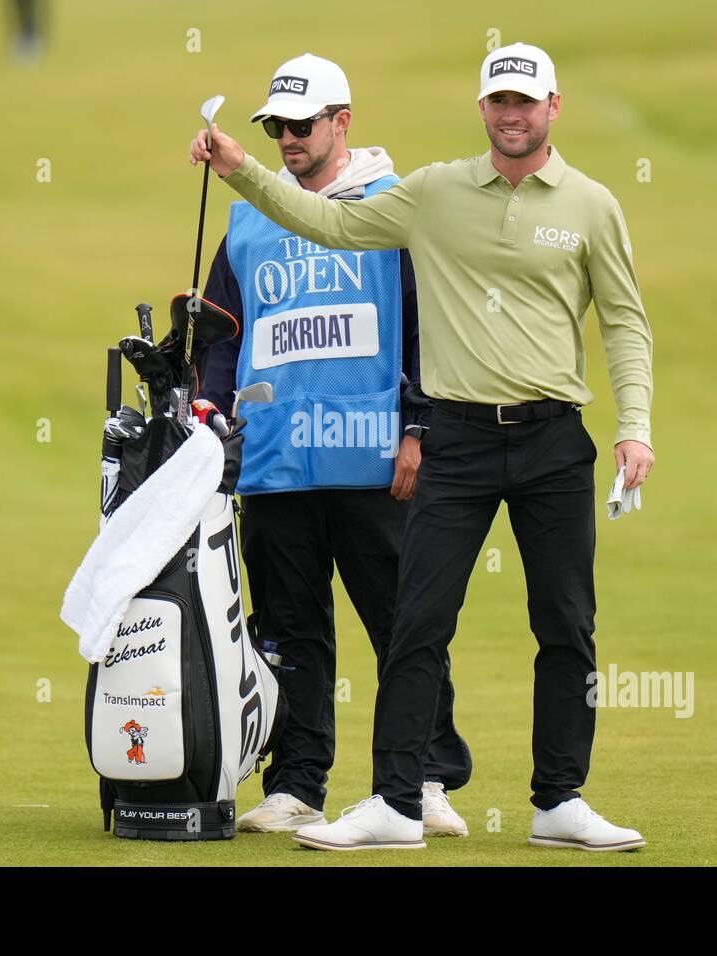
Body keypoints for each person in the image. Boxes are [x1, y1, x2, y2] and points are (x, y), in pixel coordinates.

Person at [190, 42, 655, 851]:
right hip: (415, 441)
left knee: (565, 625)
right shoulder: (434, 192)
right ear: (482, 109)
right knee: (411, 623)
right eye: (499, 102)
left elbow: (622, 319)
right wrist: (239, 169)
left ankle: (554, 800)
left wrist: (634, 426)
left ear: (553, 106)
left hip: (531, 439)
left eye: (527, 102)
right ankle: (390, 799)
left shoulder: (590, 204)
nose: (513, 115)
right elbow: (319, 227)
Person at [196, 53, 473, 837]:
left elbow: (429, 327)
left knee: (403, 626)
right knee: (289, 633)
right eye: (275, 126)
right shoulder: (250, 213)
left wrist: (419, 427)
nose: (286, 137)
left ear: (341, 122)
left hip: (374, 458)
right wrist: (212, 411)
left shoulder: (395, 205)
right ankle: (298, 783)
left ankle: (424, 780)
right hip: (277, 458)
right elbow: (224, 325)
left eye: (301, 124)